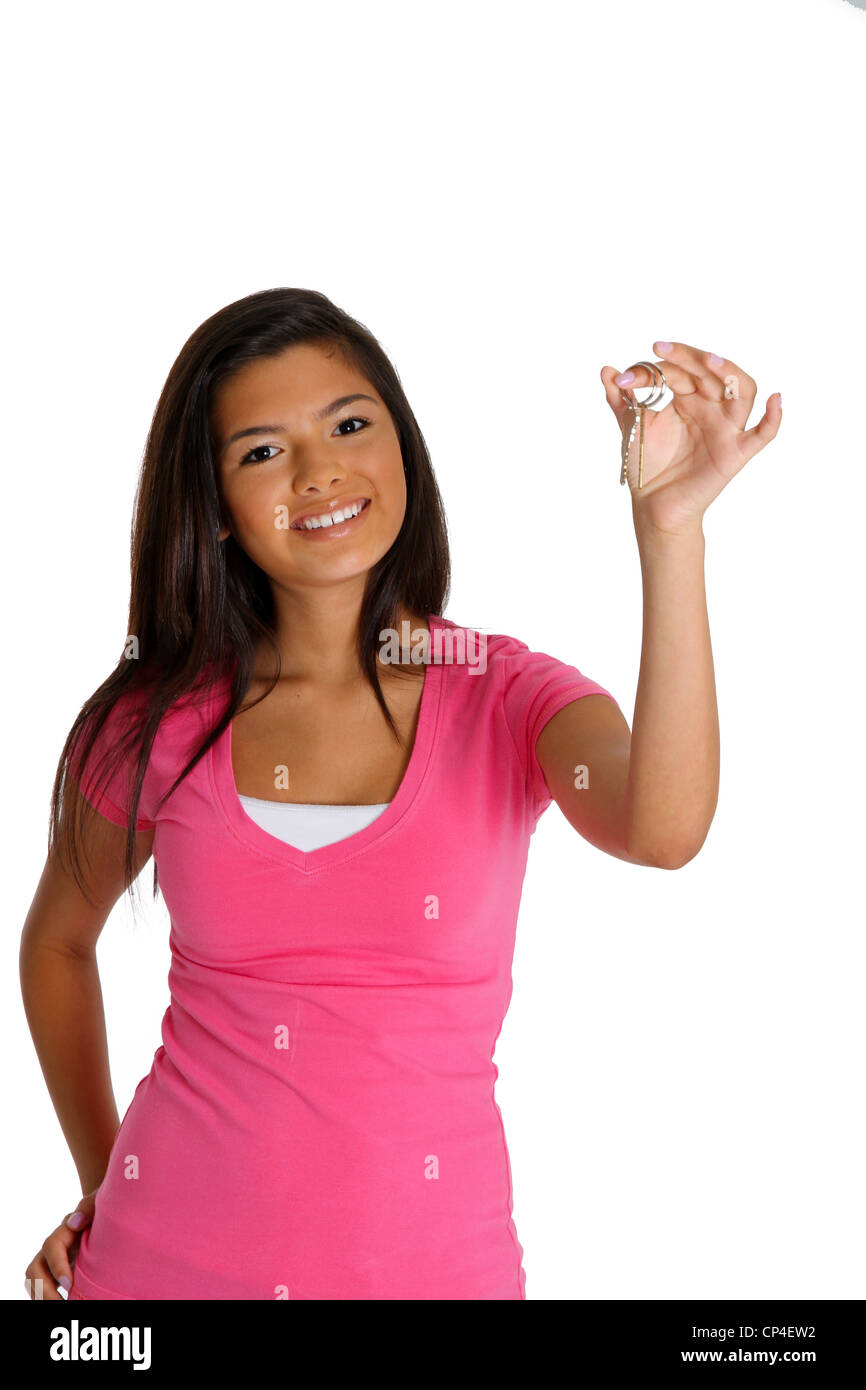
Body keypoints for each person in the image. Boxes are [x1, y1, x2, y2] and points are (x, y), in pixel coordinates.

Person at [20, 290, 782, 1300]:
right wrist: (103, 1178)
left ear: (401, 447)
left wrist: (670, 533)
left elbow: (664, 828)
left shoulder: (506, 696)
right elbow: (57, 941)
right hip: (159, 1278)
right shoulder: (154, 720)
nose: (318, 470)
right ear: (210, 504)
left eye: (347, 424)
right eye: (261, 450)